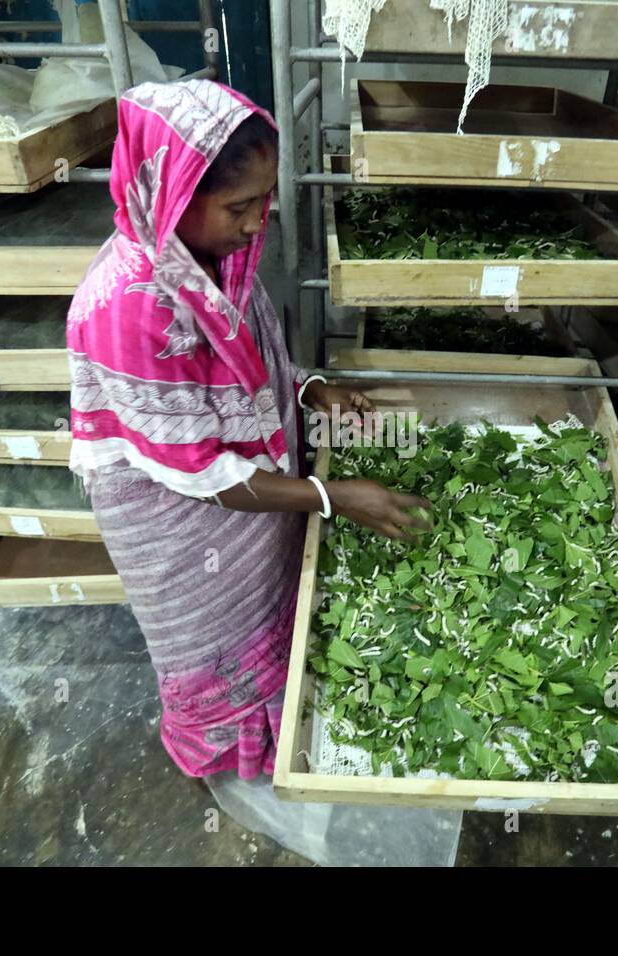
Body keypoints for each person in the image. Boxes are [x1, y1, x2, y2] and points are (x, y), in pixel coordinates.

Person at [65, 80, 431, 781]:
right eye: (240, 205)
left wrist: (310, 387)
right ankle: (232, 754)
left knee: (271, 607)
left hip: (248, 490)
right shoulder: (129, 311)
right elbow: (199, 474)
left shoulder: (216, 258)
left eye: (263, 199)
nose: (256, 221)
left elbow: (252, 364)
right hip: (181, 520)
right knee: (216, 636)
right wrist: (332, 497)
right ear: (174, 195)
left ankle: (274, 723)